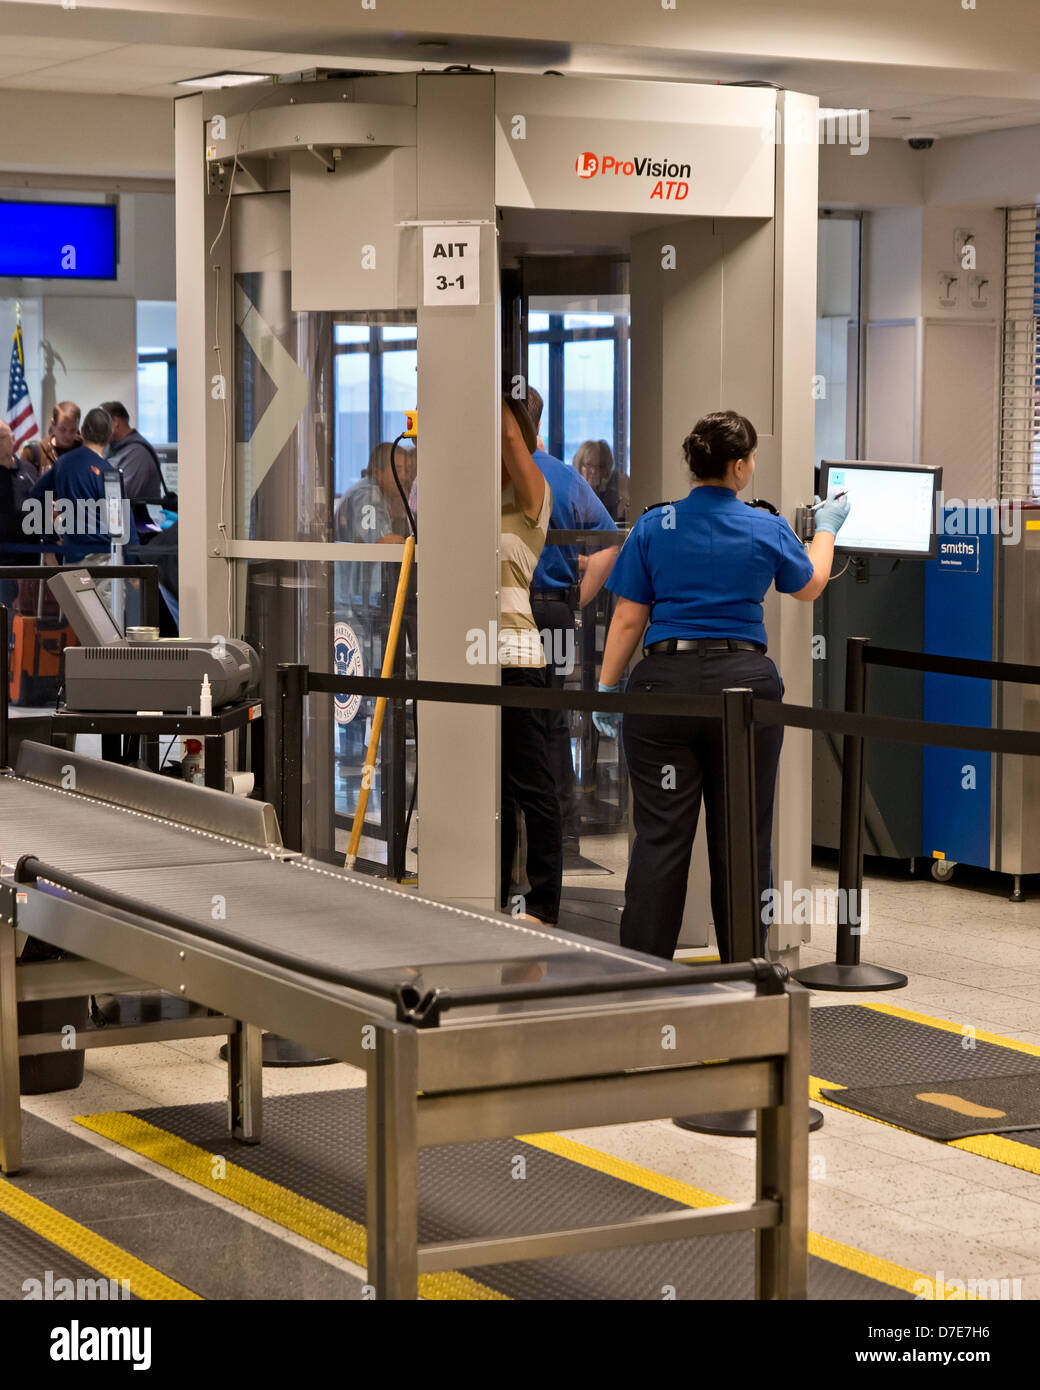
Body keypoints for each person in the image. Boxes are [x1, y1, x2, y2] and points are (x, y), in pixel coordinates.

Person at [593, 409, 849, 963]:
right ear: (738, 466)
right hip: (745, 693)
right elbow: (809, 586)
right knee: (743, 836)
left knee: (659, 837)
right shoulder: (766, 526)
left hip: (663, 688)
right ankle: (745, 970)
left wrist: (606, 689)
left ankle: (639, 973)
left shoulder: (654, 526)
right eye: (751, 459)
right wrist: (827, 526)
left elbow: (628, 621)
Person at [525, 385, 619, 855]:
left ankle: (519, 819)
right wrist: (576, 598)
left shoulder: (494, 474)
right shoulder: (564, 477)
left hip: (516, 609)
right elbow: (610, 541)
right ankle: (559, 823)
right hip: (554, 610)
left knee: (511, 712)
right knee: (552, 712)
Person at [499, 396, 562, 926]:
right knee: (489, 785)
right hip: (463, 663)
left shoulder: (533, 497)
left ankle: (542, 903)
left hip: (516, 656)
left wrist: (491, 392)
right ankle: (491, 890)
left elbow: (515, 441)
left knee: (532, 785)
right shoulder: (469, 499)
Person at [24, 406, 133, 607]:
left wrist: (49, 537)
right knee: (108, 630)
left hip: (71, 560)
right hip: (103, 562)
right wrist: (134, 565)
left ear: (82, 430)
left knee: (80, 627)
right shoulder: (107, 471)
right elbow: (124, 521)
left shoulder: (64, 463)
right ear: (109, 434)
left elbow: (35, 496)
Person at [100, 401, 167, 504]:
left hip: (138, 518)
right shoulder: (113, 448)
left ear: (115, 422)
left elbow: (122, 495)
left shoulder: (138, 453)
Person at [574, 438, 629, 523]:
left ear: (606, 470)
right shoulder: (572, 496)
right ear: (580, 466)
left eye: (600, 466)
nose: (594, 471)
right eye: (588, 465)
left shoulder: (613, 497)